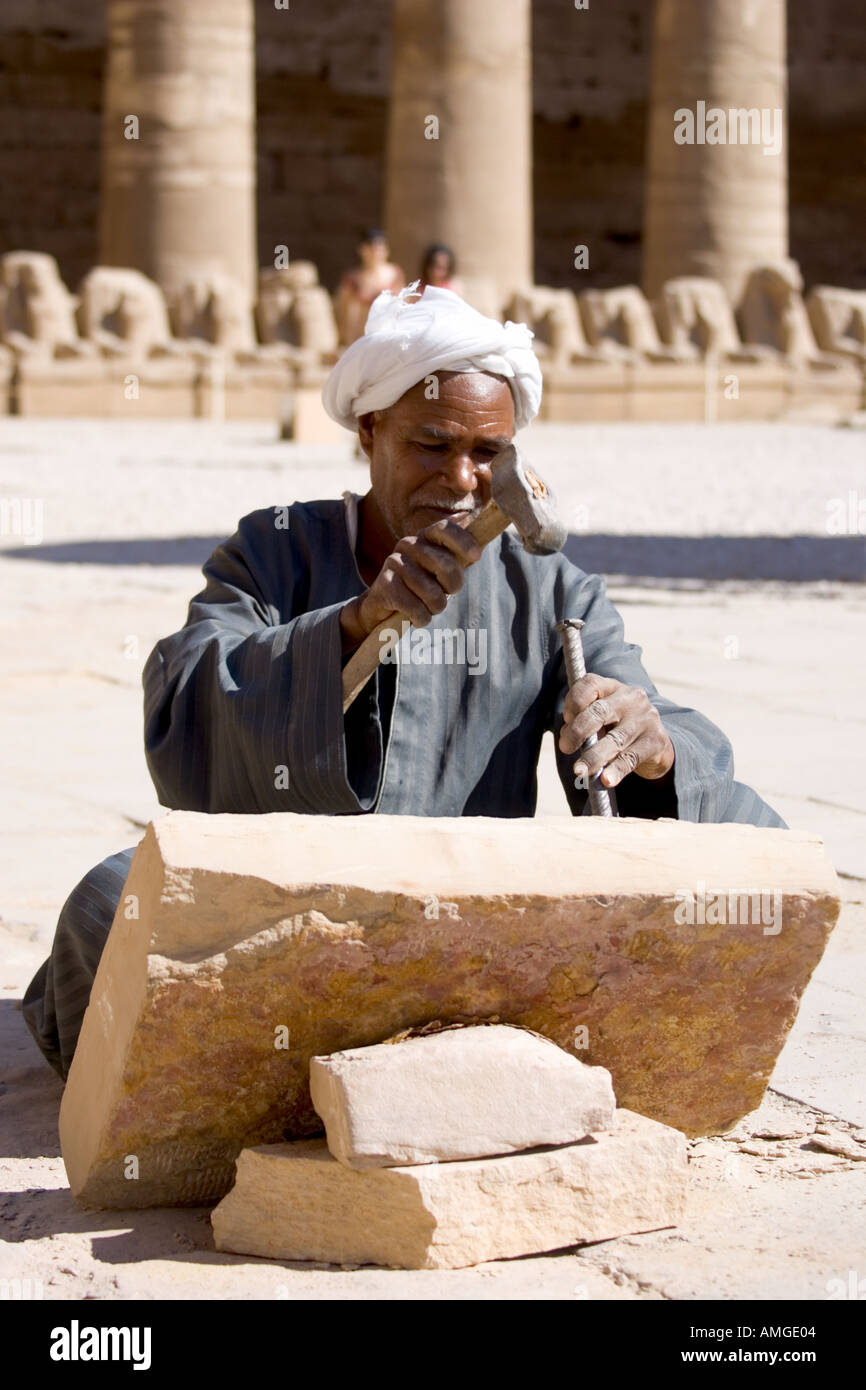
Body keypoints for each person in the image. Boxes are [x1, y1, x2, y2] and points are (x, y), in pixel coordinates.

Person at [23, 283, 785, 1080]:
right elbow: (191, 692)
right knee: (111, 906)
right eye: (432, 444)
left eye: (488, 455)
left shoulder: (553, 588)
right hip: (288, 902)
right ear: (369, 429)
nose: (461, 479)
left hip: (470, 915)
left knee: (753, 864)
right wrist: (354, 626)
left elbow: (644, 721)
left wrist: (652, 745)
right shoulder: (275, 550)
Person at [334, 228, 404, 347]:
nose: (376, 253)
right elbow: (342, 310)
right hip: (359, 335)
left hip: (387, 333)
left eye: (379, 248)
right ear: (362, 250)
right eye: (371, 248)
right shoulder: (352, 278)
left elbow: (402, 305)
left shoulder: (394, 274)